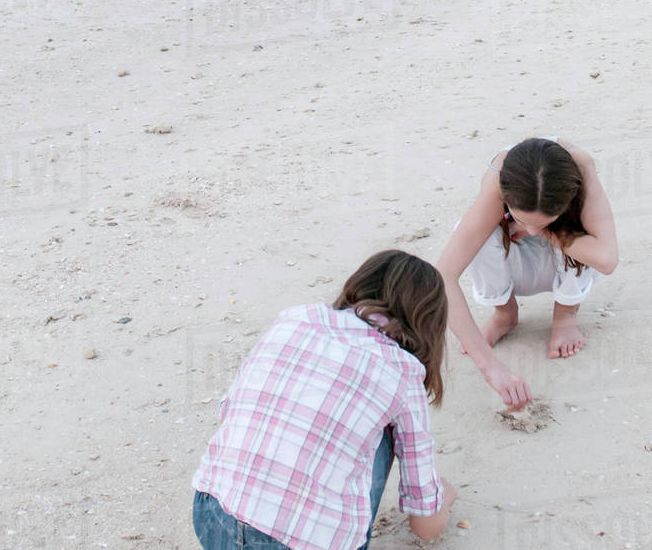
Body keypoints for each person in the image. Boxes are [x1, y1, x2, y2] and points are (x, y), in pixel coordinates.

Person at [192, 250, 458, 549]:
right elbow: (425, 526)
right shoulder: (403, 372)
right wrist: (444, 498)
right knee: (380, 431)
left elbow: (228, 411)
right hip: (305, 542)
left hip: (213, 516)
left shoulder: (297, 317)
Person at [437, 136, 618, 412]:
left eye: (544, 221)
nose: (533, 231)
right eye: (523, 218)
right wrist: (490, 367)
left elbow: (606, 259)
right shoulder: (497, 181)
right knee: (474, 235)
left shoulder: (580, 171)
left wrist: (548, 230)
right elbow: (444, 276)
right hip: (514, 256)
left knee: (585, 230)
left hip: (560, 257)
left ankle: (565, 315)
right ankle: (504, 314)